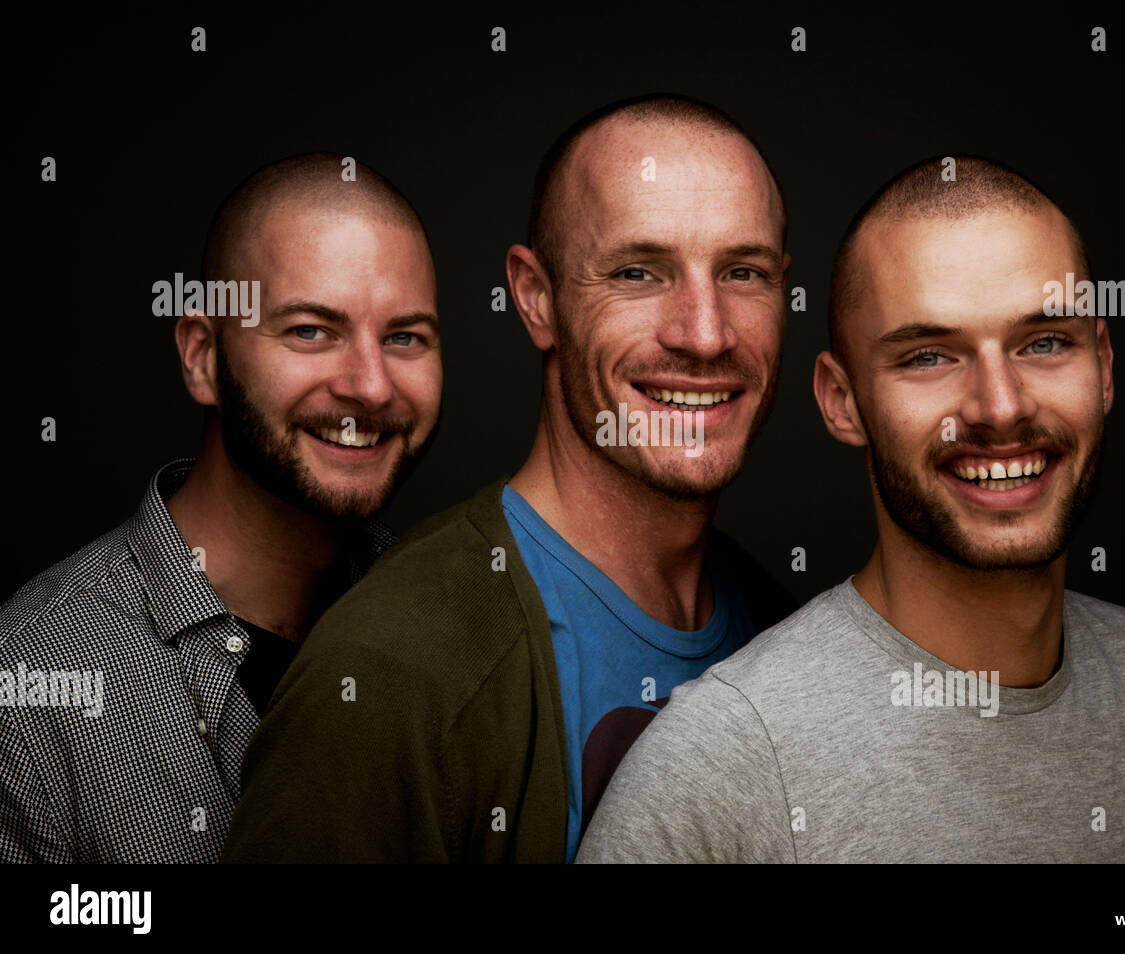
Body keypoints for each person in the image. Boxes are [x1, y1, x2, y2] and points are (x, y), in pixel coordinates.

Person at [577, 156, 1125, 863]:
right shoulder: (721, 760)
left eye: (1046, 343)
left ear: (1105, 367)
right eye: (929, 357)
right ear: (842, 401)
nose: (1001, 408)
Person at [223, 94, 796, 863]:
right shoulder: (393, 671)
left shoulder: (783, 631)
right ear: (536, 298)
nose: (704, 331)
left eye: (743, 272)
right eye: (637, 271)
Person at [0, 153, 443, 862]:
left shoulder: (454, 627)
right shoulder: (29, 683)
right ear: (203, 357)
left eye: (404, 337)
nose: (370, 385)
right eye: (309, 331)